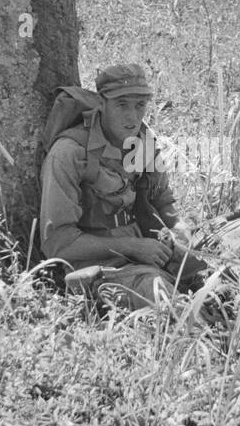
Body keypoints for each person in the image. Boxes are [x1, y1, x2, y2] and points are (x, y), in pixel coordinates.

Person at [38, 63, 205, 312]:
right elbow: (57, 243)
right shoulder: (69, 154)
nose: (132, 117)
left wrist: (180, 235)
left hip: (148, 251)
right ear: (101, 104)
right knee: (155, 288)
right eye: (122, 105)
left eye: (139, 106)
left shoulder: (142, 142)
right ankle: (202, 337)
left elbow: (164, 206)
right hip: (99, 266)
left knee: (229, 251)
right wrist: (132, 247)